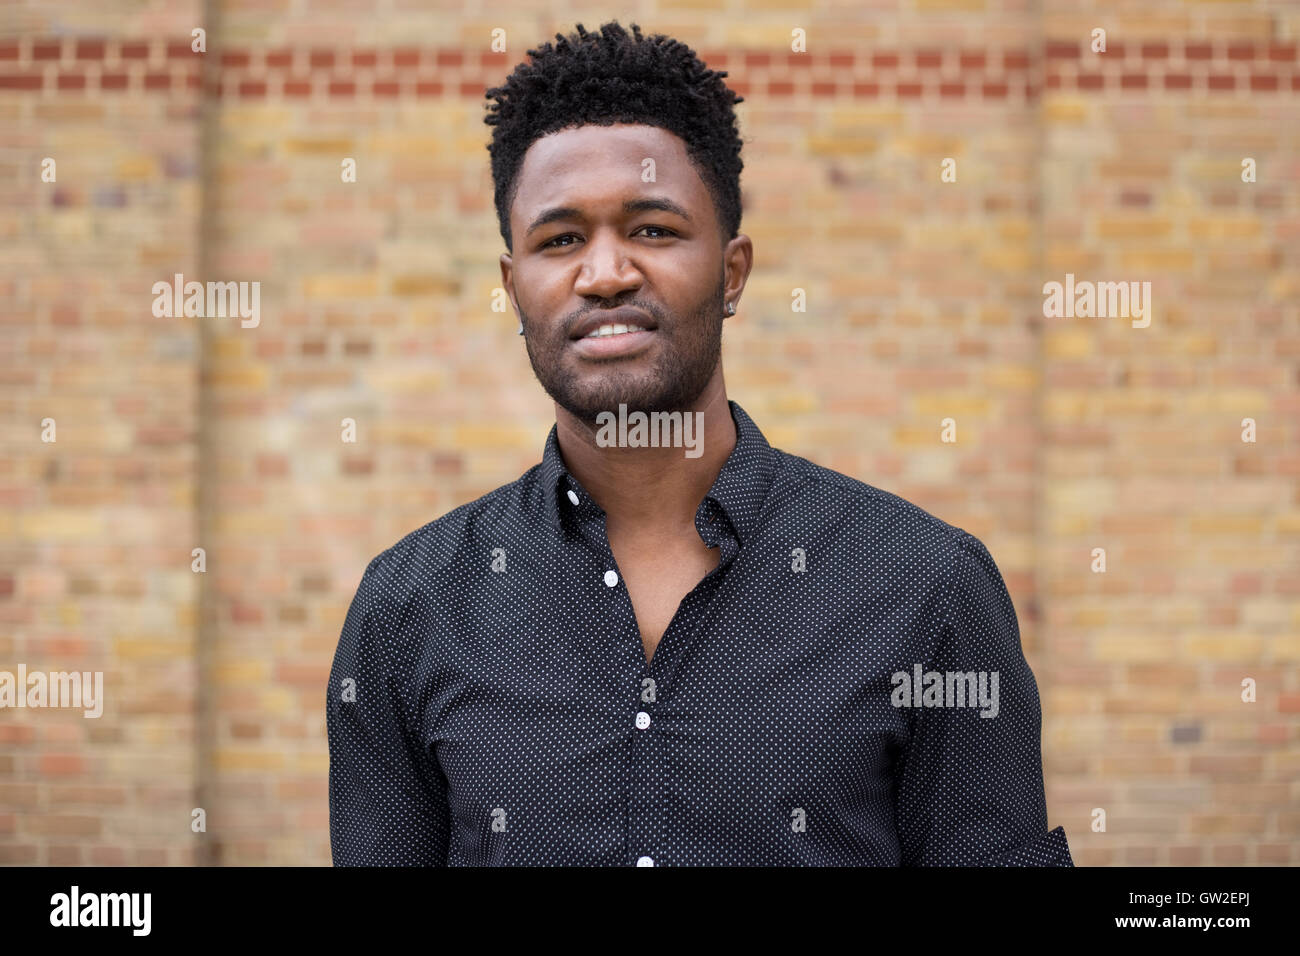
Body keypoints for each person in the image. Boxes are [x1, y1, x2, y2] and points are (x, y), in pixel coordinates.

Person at [327, 20, 1073, 866]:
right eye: (560, 239)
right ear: (514, 286)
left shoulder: (923, 587)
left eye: (652, 230)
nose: (605, 274)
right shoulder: (409, 611)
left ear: (733, 272)